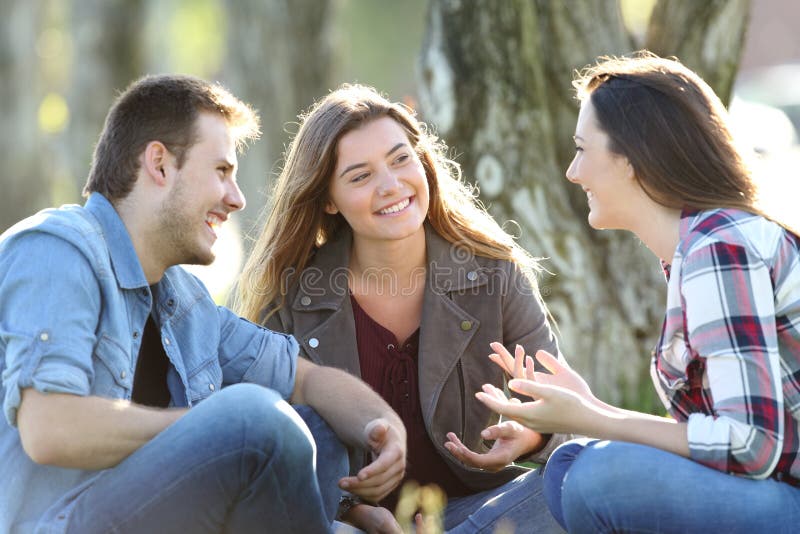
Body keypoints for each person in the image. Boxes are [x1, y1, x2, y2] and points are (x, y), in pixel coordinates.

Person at [0, 74, 408, 534]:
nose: (236, 199)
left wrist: (384, 425)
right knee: (253, 418)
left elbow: (308, 380)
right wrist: (217, 431)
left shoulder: (185, 302)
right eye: (222, 172)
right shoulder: (57, 250)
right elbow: (50, 427)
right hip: (66, 523)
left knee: (312, 425)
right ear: (159, 164)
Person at [476, 51, 800, 533]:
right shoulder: (696, 249)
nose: (573, 171)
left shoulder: (721, 247)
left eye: (583, 149)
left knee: (597, 477)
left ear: (630, 158)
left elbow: (753, 446)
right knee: (569, 466)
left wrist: (594, 419)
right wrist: (591, 408)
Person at [236, 84, 567, 533]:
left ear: (422, 163)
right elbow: (264, 450)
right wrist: (346, 507)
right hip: (356, 526)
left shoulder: (496, 275)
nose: (391, 186)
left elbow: (568, 415)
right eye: (360, 176)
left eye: (400, 159)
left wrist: (531, 435)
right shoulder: (291, 300)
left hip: (483, 510)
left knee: (580, 481)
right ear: (328, 199)